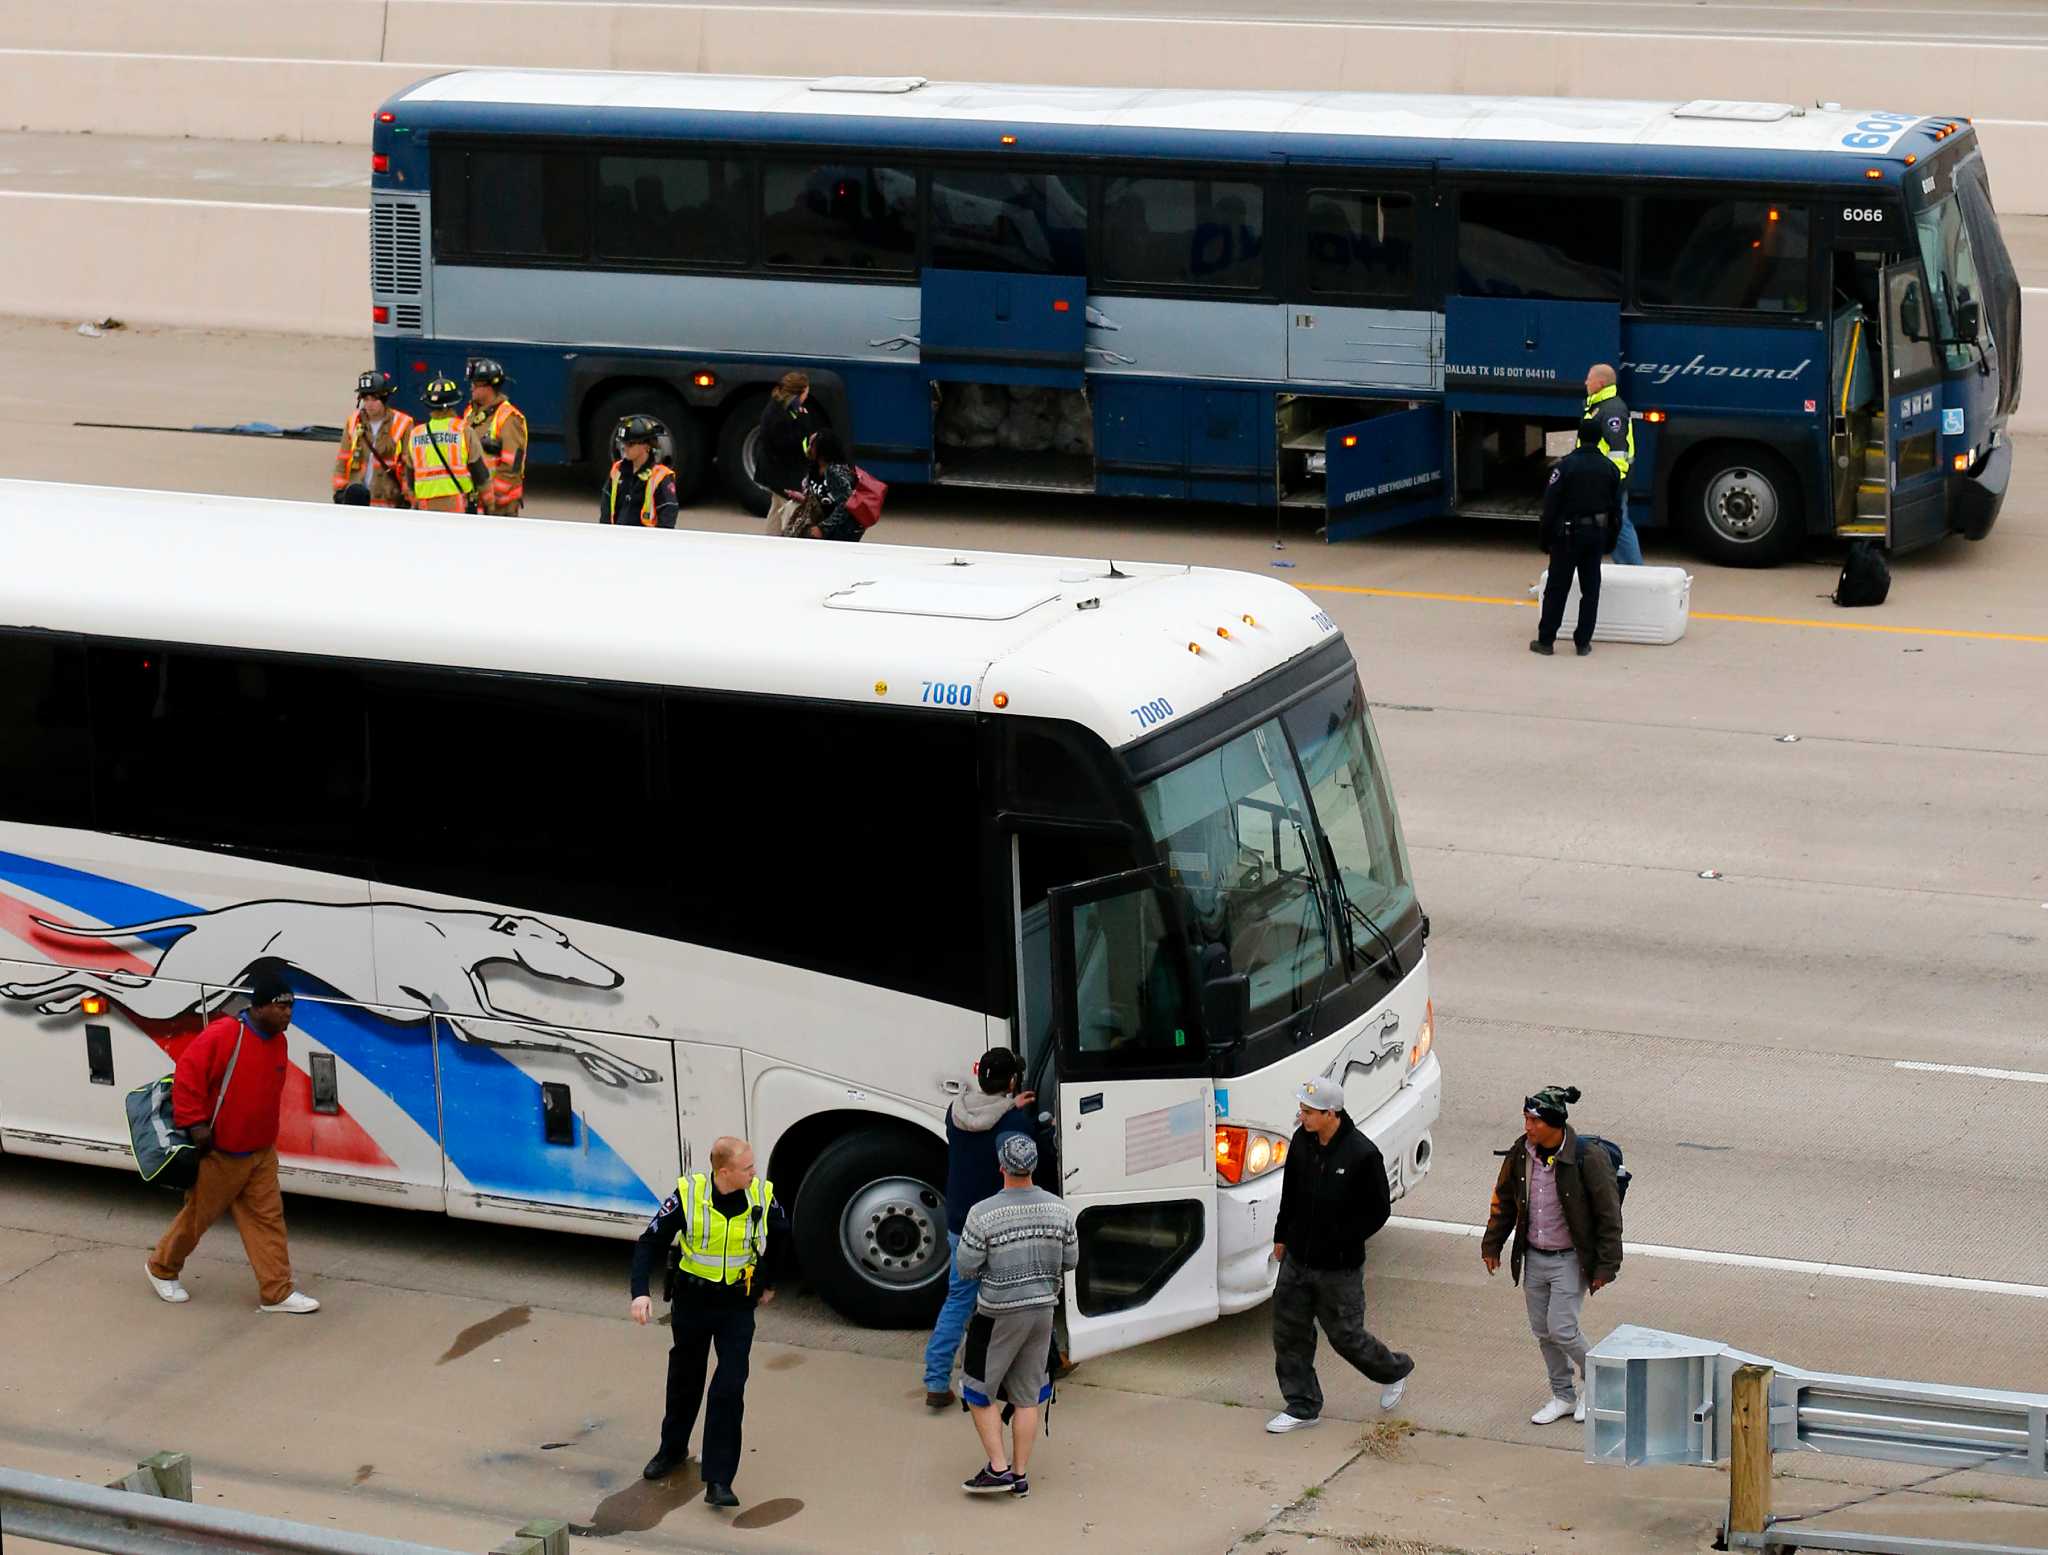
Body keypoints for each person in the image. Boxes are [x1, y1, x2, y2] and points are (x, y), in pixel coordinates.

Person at [143, 973, 320, 1315]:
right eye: (282, 1006)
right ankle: (161, 1268)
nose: (288, 1014)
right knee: (197, 1217)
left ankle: (277, 1292)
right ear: (261, 1006)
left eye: (291, 1006)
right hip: (222, 1153)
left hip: (260, 1151)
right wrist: (195, 1126)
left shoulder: (278, 1040)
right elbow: (187, 1077)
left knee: (268, 1220)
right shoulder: (225, 1035)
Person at [630, 1135, 787, 1509]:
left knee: (729, 1389)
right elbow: (649, 1242)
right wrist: (640, 1292)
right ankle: (672, 1450)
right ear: (724, 1171)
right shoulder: (688, 1194)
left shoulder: (761, 1195)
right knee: (685, 1379)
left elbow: (783, 1236)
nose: (754, 1172)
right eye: (747, 1167)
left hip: (736, 1305)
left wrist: (768, 1282)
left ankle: (719, 1478)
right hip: (693, 1302)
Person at [1265, 1076, 1413, 1434]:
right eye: (1302, 1110)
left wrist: (1341, 1239)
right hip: (1297, 1260)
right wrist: (1282, 1236)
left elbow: (1378, 1212)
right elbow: (1292, 1193)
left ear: (1331, 1114)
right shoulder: (1302, 1142)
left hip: (1339, 1268)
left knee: (1346, 1335)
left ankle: (1394, 1370)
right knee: (1289, 1332)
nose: (1302, 1118)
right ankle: (1302, 1405)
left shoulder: (1362, 1155)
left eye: (1308, 1112)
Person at [1480, 1085, 1624, 1426]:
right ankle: (1562, 1395)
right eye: (1526, 1119)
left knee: (1562, 1329)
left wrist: (1606, 1266)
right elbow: (1504, 1199)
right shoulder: (1521, 1152)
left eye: (1534, 1120)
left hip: (1570, 1259)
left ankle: (1597, 1378)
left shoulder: (1587, 1158)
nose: (1528, 1127)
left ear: (1554, 1123)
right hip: (1534, 1256)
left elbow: (1608, 1215)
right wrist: (1492, 1244)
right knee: (1542, 1331)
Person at [955, 1133, 1077, 1497]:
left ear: (1001, 1166)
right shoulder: (1060, 1209)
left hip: (996, 1316)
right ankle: (1020, 1476)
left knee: (976, 1388)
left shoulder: (982, 1213)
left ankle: (998, 1469)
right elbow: (1071, 1260)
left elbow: (965, 1266)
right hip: (1042, 1313)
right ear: (1034, 1166)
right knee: (1027, 1397)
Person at [923, 1047, 1037, 1409]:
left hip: (959, 1223)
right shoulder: (1013, 1123)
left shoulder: (955, 1111)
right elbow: (1024, 1160)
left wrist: (1008, 1105)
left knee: (958, 1300)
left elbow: (981, 1125)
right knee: (1006, 1304)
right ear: (1013, 1081)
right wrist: (1025, 1115)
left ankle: (936, 1381)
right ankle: (999, 1377)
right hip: (996, 1226)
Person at [1532, 421, 1622, 658]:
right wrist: (1610, 540)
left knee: (1557, 588)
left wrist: (1545, 538)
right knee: (1590, 589)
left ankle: (1546, 641)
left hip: (1567, 537)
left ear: (1579, 437)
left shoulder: (1565, 467)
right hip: (1596, 536)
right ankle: (1583, 642)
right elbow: (1616, 511)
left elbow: (1550, 507)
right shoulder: (1610, 468)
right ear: (1600, 438)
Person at [1582, 363, 1642, 564]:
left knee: (1619, 524)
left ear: (1600, 383)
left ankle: (1636, 572)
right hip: (1602, 478)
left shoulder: (1611, 410)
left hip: (1608, 480)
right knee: (1610, 524)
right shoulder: (1601, 406)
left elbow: (1618, 451)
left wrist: (1613, 481)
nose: (1585, 382)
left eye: (1589, 378)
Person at [406, 374, 491, 513]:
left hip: (425, 507)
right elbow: (479, 472)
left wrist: (414, 500)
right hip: (457, 506)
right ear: (453, 404)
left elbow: (410, 477)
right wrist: (489, 503)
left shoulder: (416, 434)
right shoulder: (464, 431)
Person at [330, 369, 413, 508]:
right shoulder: (353, 421)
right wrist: (339, 490)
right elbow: (343, 459)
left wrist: (407, 496)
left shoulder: (403, 423)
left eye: (374, 399)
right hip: (358, 500)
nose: (369, 404)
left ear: (384, 398)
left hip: (389, 500)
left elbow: (407, 464)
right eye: (365, 399)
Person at [757, 372, 819, 536]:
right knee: (791, 510)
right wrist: (804, 423)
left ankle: (770, 541)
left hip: (774, 471)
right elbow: (790, 444)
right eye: (806, 392)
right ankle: (789, 543)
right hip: (783, 473)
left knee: (776, 508)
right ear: (798, 393)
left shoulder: (779, 407)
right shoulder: (781, 417)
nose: (807, 396)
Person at [465, 358, 529, 516]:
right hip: (478, 502)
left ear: (489, 387)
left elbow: (512, 467)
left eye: (476, 383)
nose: (471, 387)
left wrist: (491, 499)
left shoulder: (509, 418)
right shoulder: (470, 413)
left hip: (500, 506)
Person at [600, 416, 680, 528]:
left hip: (645, 542)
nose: (625, 447)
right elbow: (606, 510)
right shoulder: (617, 471)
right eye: (623, 443)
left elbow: (668, 514)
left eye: (630, 444)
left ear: (646, 446)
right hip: (617, 539)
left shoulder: (660, 477)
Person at [797, 430, 862, 542]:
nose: (808, 448)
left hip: (841, 532)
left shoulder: (834, 472)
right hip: (823, 526)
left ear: (823, 450)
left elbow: (846, 505)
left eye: (812, 445)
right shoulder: (814, 469)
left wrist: (823, 529)